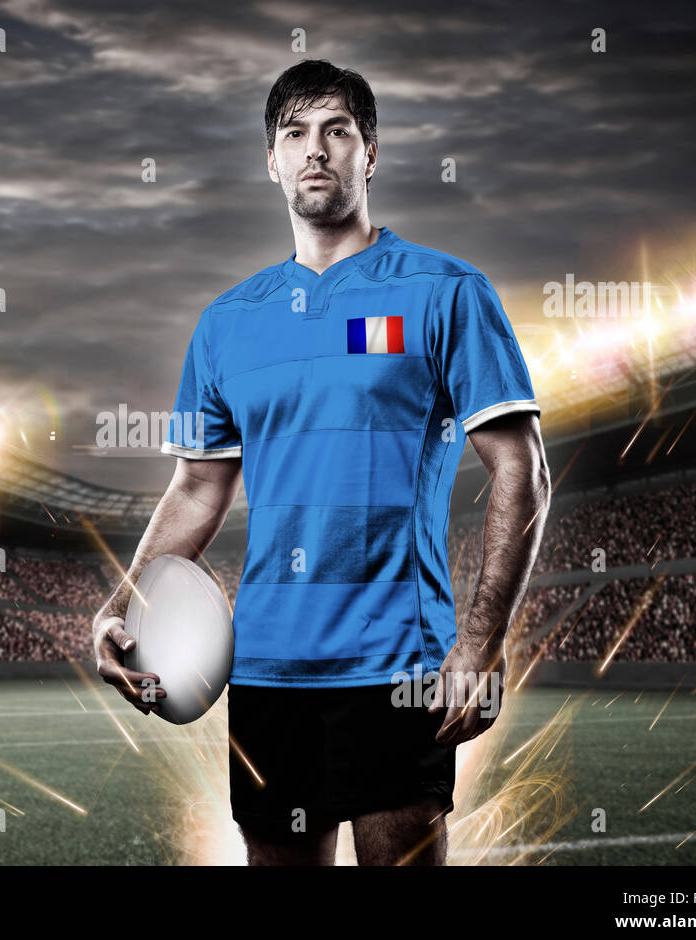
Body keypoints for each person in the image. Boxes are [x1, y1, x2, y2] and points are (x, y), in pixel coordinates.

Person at [93, 59, 549, 866]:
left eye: (337, 130)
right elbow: (198, 487)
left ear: (369, 152)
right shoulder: (227, 324)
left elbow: (523, 471)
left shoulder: (447, 292)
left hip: (399, 669)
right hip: (267, 675)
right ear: (271, 161)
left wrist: (479, 643)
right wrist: (125, 604)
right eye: (294, 134)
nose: (316, 150)